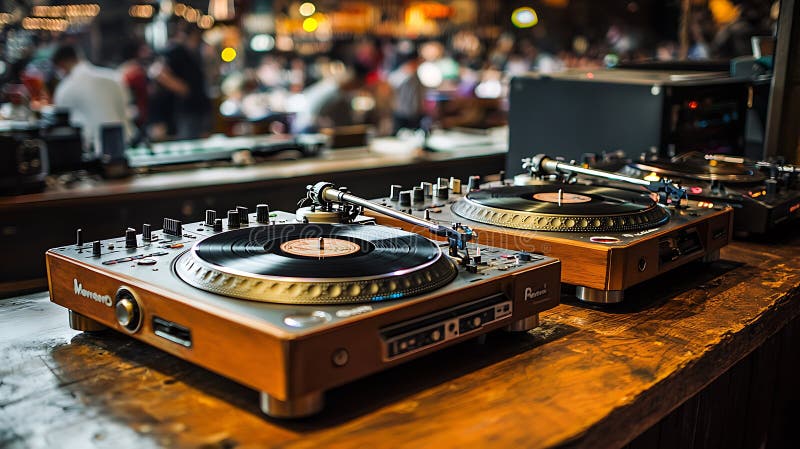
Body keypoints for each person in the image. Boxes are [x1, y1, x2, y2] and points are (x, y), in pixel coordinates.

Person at [51, 44, 133, 153]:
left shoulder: (65, 88)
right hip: (125, 146)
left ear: (61, 64)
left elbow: (63, 124)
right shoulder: (114, 76)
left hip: (91, 152)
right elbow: (128, 109)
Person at [151, 23, 211, 140]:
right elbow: (156, 71)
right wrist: (182, 88)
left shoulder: (192, 52)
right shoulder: (175, 50)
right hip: (186, 110)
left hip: (194, 108)